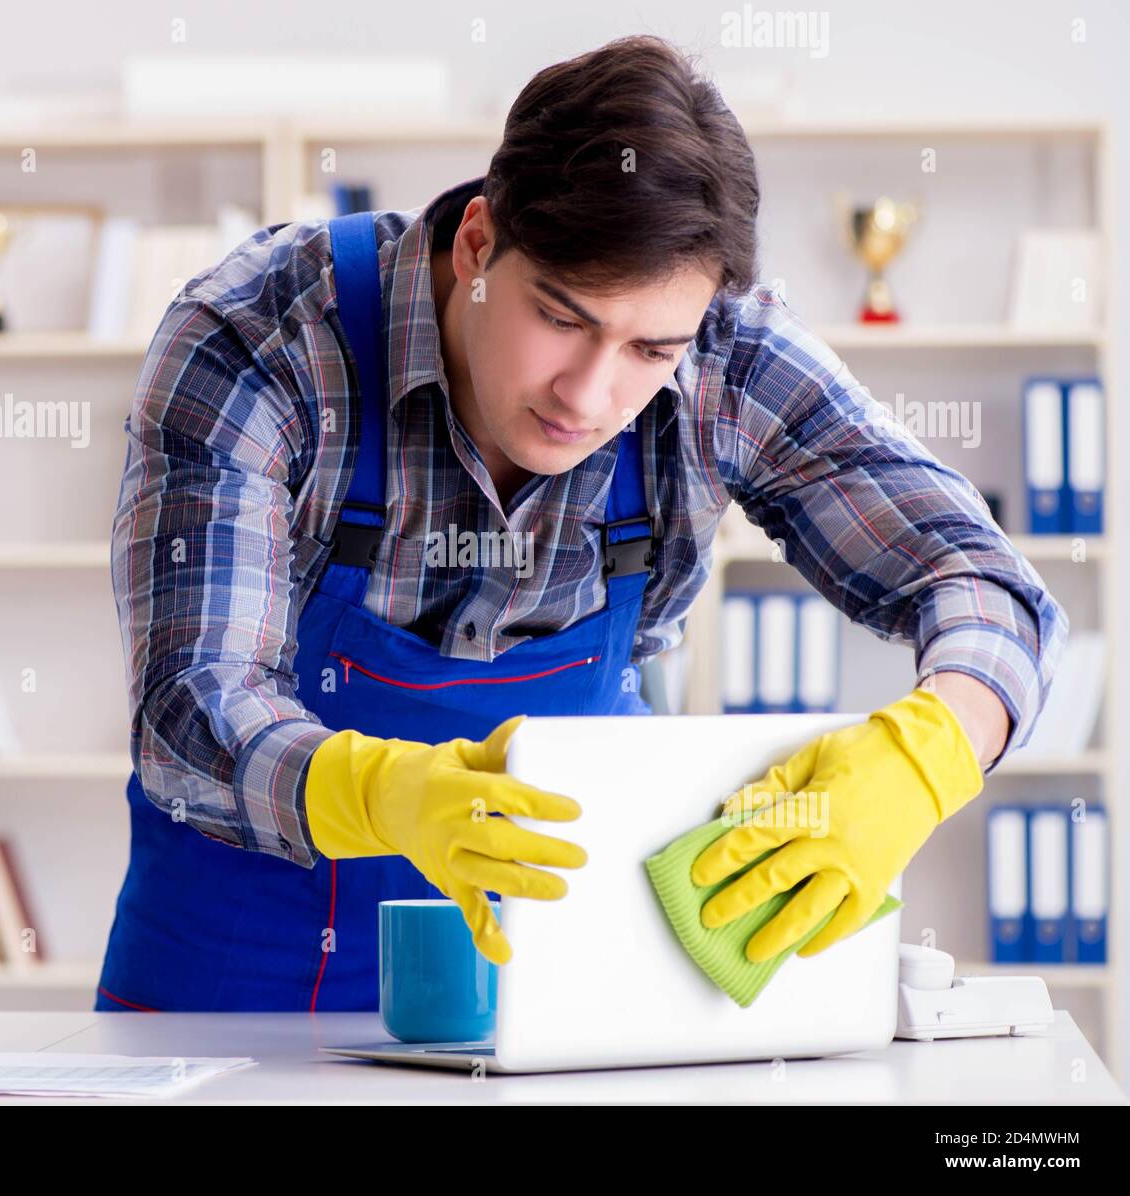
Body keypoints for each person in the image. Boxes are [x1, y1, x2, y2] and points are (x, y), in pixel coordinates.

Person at [95, 34, 1066, 1012]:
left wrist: (927, 750)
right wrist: (381, 790)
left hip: (560, 973)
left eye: (648, 347)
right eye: (560, 317)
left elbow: (990, 589)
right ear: (478, 243)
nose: (589, 395)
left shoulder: (723, 356)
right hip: (236, 983)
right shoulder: (262, 336)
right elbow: (189, 710)